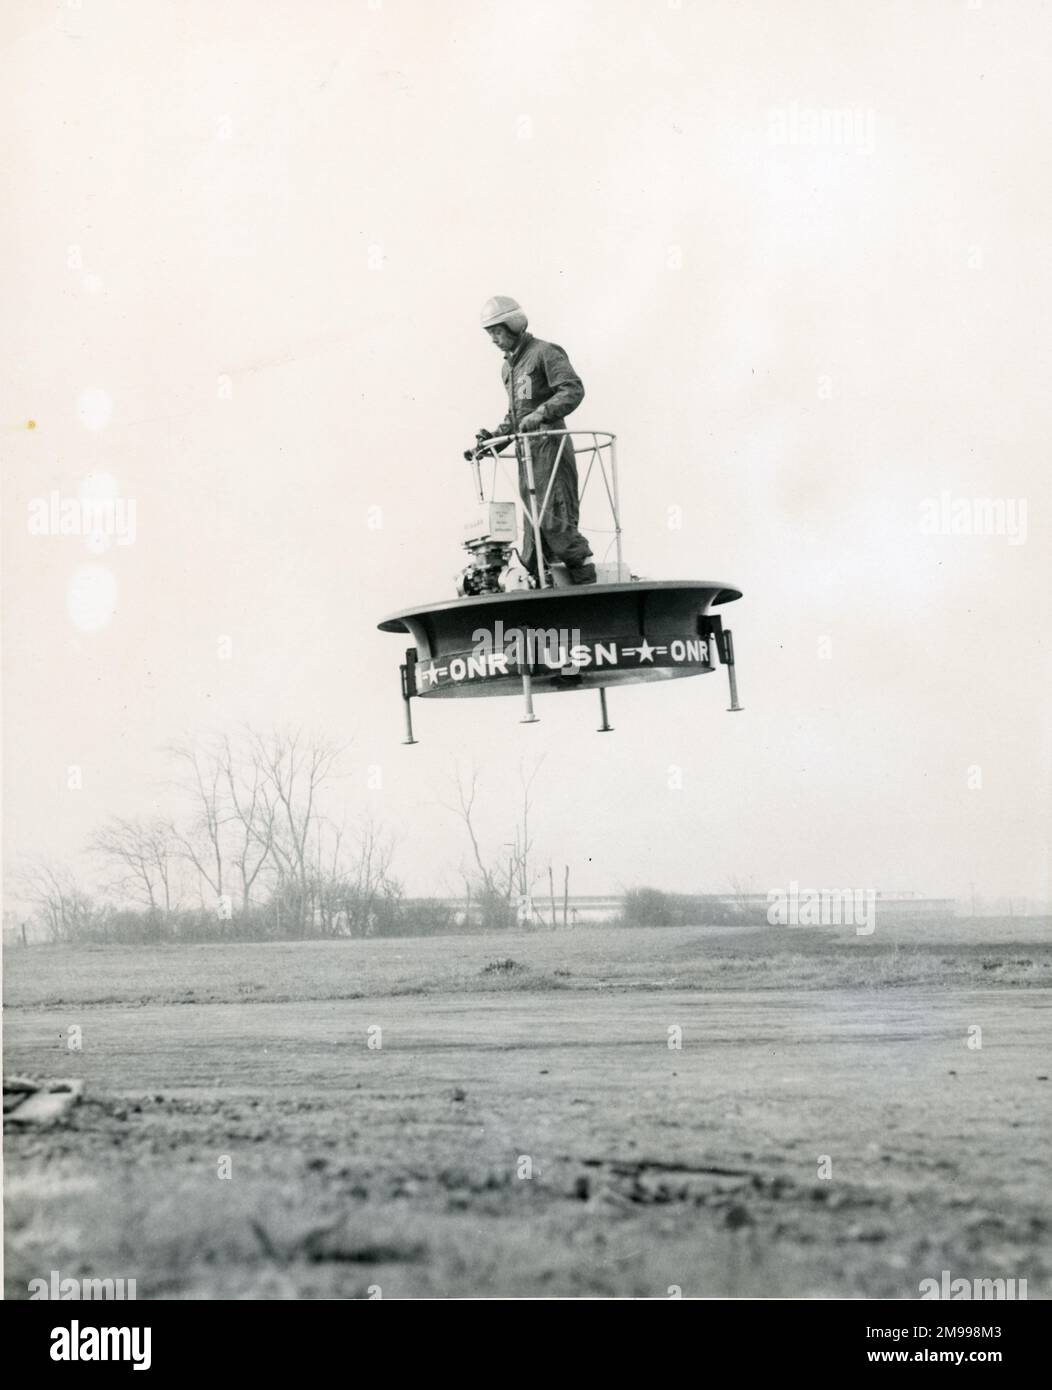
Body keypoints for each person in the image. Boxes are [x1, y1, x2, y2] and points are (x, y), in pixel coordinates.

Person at [475, 296, 596, 585]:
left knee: (556, 517)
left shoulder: (544, 352)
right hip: (525, 452)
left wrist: (542, 414)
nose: (493, 338)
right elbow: (516, 416)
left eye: (497, 330)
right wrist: (492, 440)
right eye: (489, 332)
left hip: (549, 446)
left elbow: (572, 389)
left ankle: (587, 581)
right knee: (534, 528)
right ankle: (543, 584)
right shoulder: (508, 369)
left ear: (513, 325)